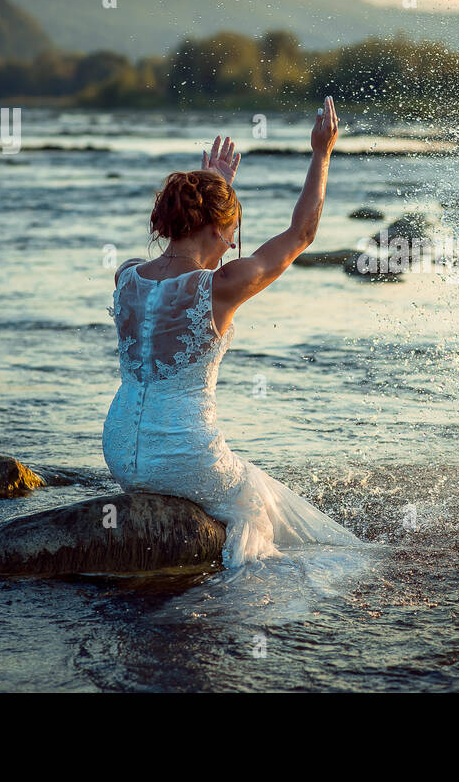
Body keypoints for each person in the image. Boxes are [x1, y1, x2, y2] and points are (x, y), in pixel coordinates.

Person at [103, 97, 362, 566]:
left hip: (121, 452)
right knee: (271, 512)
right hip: (184, 458)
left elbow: (187, 245)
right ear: (217, 229)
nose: (232, 245)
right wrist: (322, 153)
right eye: (233, 233)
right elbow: (302, 234)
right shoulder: (222, 286)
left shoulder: (125, 276)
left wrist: (215, 187)